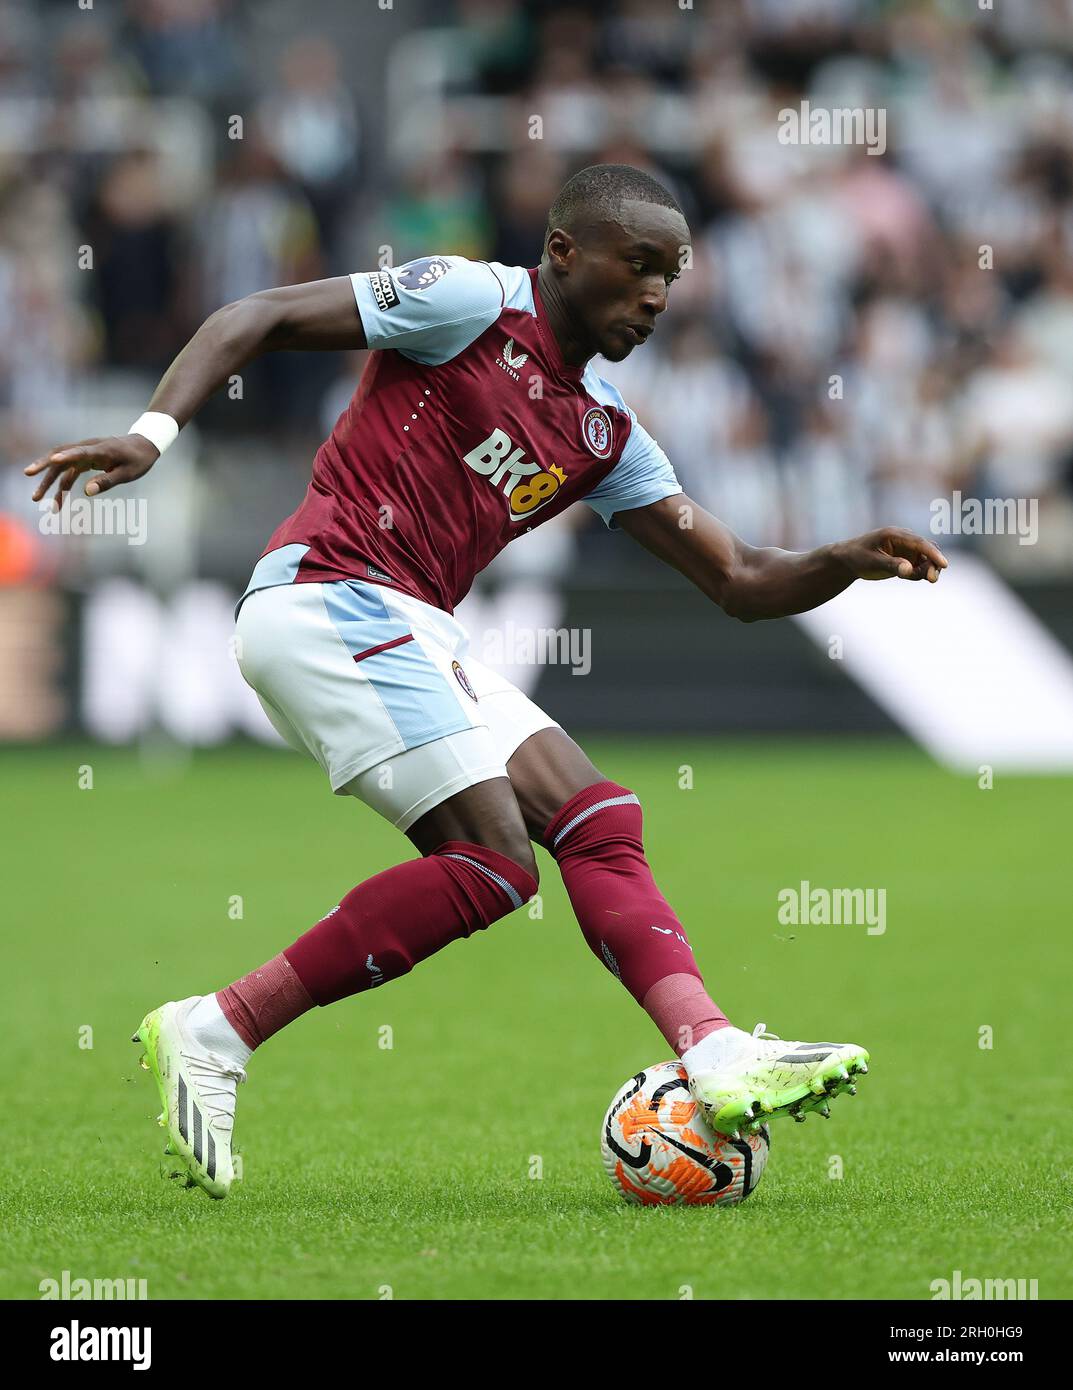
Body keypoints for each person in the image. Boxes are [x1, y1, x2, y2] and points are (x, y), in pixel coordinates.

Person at [27, 165, 947, 1198]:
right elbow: (260, 315)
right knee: (494, 864)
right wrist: (153, 435)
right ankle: (216, 1026)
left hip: (414, 623)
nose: (653, 295)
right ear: (561, 253)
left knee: (596, 817)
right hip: (328, 596)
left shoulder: (603, 431)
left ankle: (713, 1048)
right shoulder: (470, 301)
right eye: (635, 265)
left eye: (671, 275)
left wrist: (841, 559)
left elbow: (736, 579)